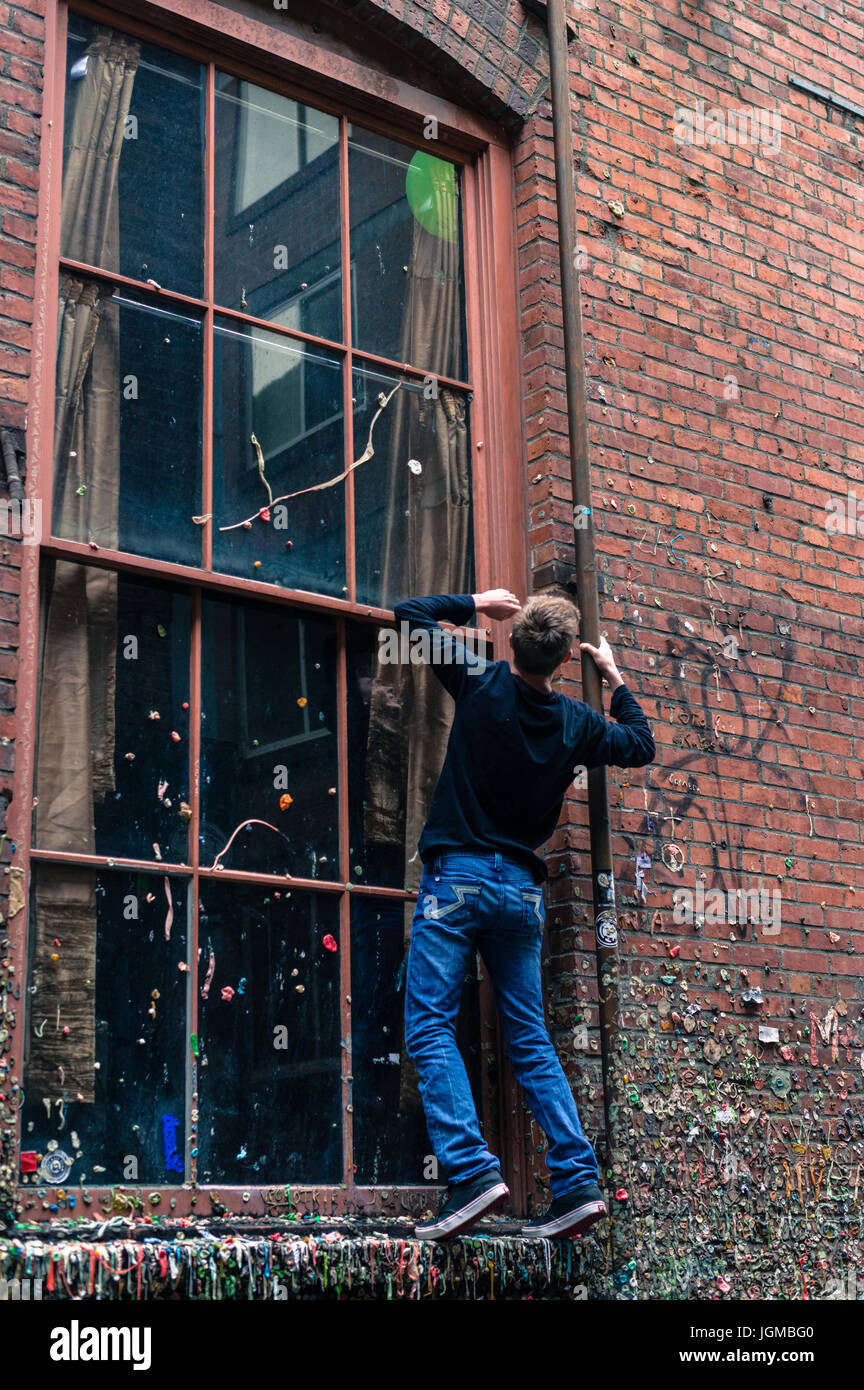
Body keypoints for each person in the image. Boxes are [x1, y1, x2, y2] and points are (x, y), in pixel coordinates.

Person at [394, 588, 655, 1239]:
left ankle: (472, 1174)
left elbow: (409, 616)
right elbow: (641, 744)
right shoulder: (575, 722)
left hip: (457, 879)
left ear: (510, 639)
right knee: (529, 1038)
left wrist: (479, 600)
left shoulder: (480, 683)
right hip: (521, 894)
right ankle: (575, 1182)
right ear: (565, 659)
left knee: (429, 1022)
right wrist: (615, 677)